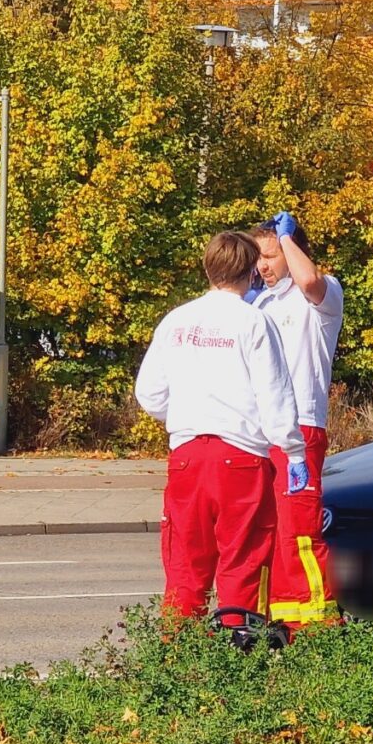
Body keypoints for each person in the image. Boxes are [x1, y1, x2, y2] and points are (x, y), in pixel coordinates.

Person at [134, 231, 309, 620]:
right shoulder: (254, 322)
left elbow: (149, 394)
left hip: (187, 456)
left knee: (185, 568)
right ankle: (238, 652)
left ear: (207, 269)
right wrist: (294, 451)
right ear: (250, 272)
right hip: (242, 458)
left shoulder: (176, 321)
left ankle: (176, 657)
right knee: (243, 564)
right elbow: (275, 397)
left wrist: (184, 413)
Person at [252, 212, 346, 631]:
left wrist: (288, 241)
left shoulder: (321, 296)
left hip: (301, 427)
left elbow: (309, 282)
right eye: (258, 258)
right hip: (261, 430)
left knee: (299, 531)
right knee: (266, 534)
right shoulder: (262, 302)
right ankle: (270, 621)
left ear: (294, 251)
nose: (262, 266)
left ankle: (316, 629)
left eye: (270, 255)